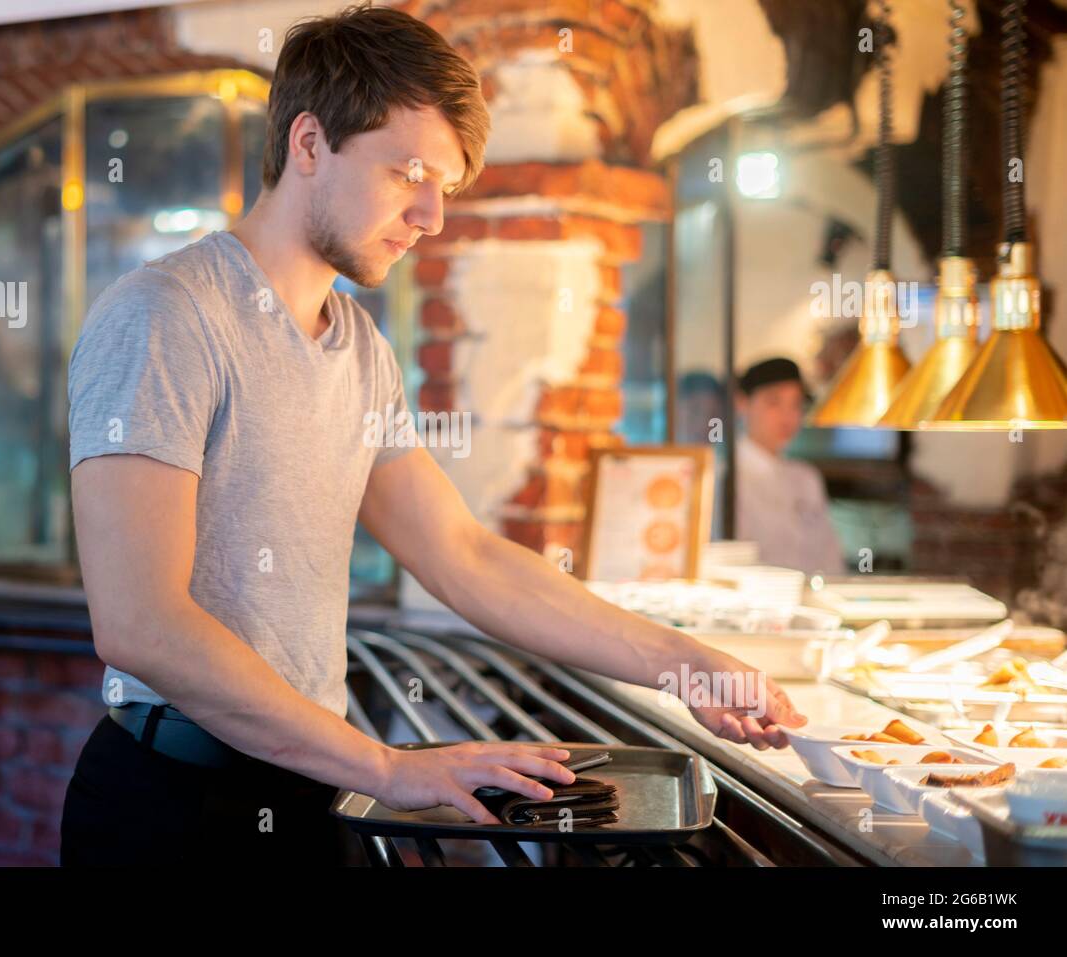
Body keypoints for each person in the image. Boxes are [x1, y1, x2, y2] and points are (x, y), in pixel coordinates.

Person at [60, 4, 807, 867]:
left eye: (444, 188)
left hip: (309, 786)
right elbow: (141, 623)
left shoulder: (358, 348)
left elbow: (463, 554)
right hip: (175, 808)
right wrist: (386, 765)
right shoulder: (166, 316)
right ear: (309, 144)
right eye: (409, 173)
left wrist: (686, 663)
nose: (431, 215)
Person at [734, 357, 846, 576]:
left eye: (796, 404)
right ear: (742, 403)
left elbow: (831, 558)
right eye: (773, 402)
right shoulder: (725, 477)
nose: (787, 416)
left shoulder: (806, 477)